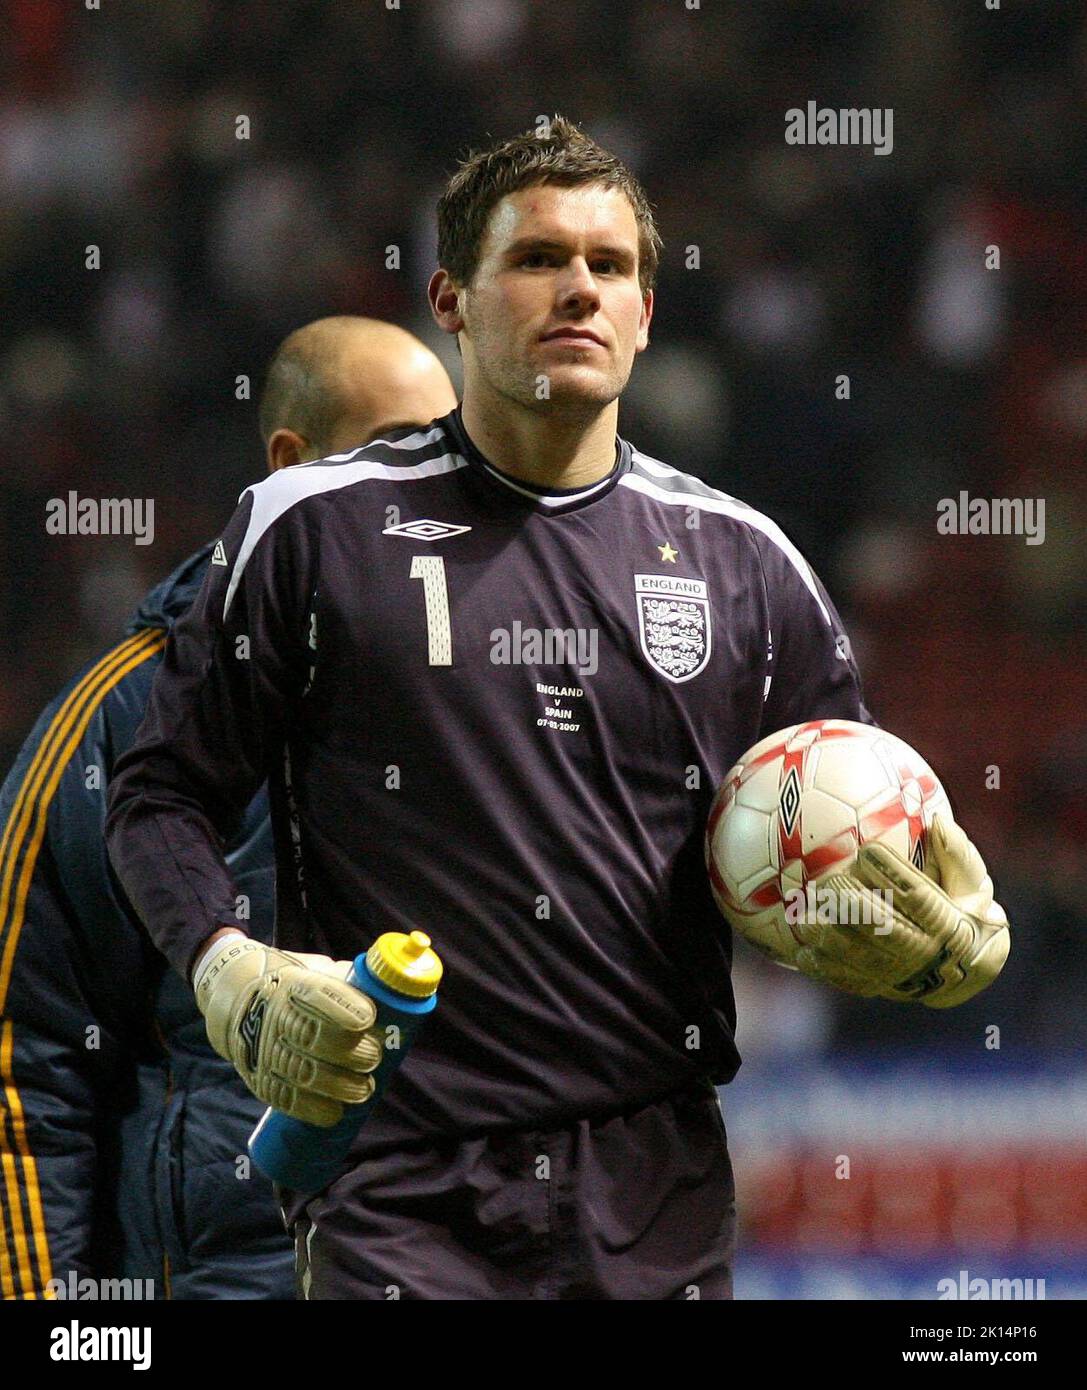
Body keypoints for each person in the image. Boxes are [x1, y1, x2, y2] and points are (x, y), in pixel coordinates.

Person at [105, 118, 1010, 1301]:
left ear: (644, 314)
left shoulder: (745, 565)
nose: (579, 287)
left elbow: (833, 847)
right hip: (398, 1188)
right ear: (451, 299)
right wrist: (226, 967)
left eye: (612, 265)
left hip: (657, 1184)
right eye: (537, 258)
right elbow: (158, 789)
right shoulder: (310, 528)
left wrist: (931, 940)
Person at [0, 318, 456, 1300]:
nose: (437, 490)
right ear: (290, 465)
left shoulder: (489, 706)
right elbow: (20, 1066)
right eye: (401, 449)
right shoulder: (117, 723)